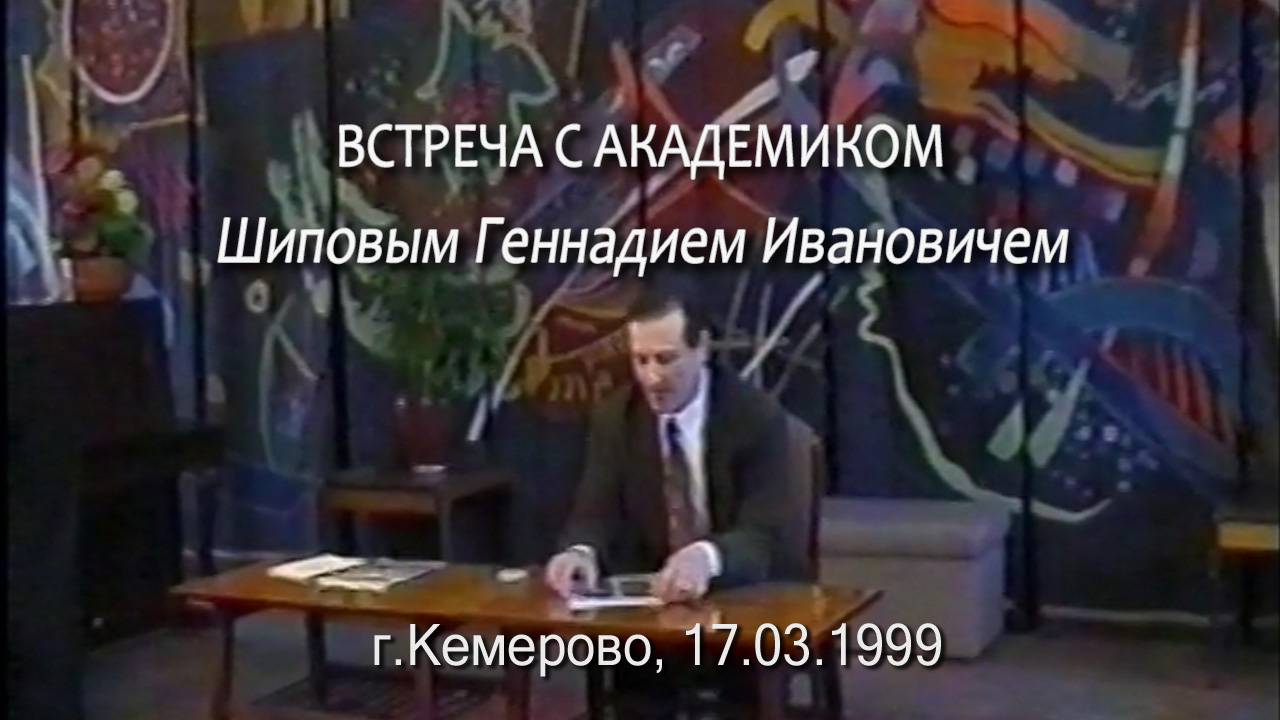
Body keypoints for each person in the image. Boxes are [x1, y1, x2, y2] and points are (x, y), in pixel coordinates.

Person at [545, 283, 794, 603]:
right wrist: (580, 553)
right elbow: (594, 514)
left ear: (701, 348)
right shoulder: (617, 417)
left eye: (666, 359)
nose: (652, 378)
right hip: (655, 604)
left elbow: (762, 536)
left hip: (741, 599)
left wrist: (706, 558)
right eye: (641, 360)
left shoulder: (755, 417)